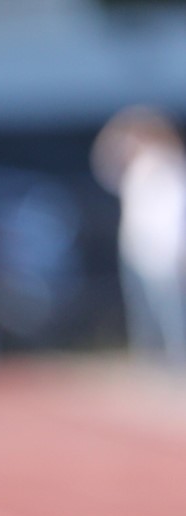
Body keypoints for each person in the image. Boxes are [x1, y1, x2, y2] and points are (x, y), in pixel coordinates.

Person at [92, 106, 186, 369]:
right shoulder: (137, 167)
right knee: (145, 308)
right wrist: (114, 135)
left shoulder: (169, 165)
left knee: (170, 308)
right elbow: (104, 170)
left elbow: (175, 213)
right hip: (137, 249)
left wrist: (177, 249)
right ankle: (153, 359)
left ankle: (178, 357)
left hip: (164, 250)